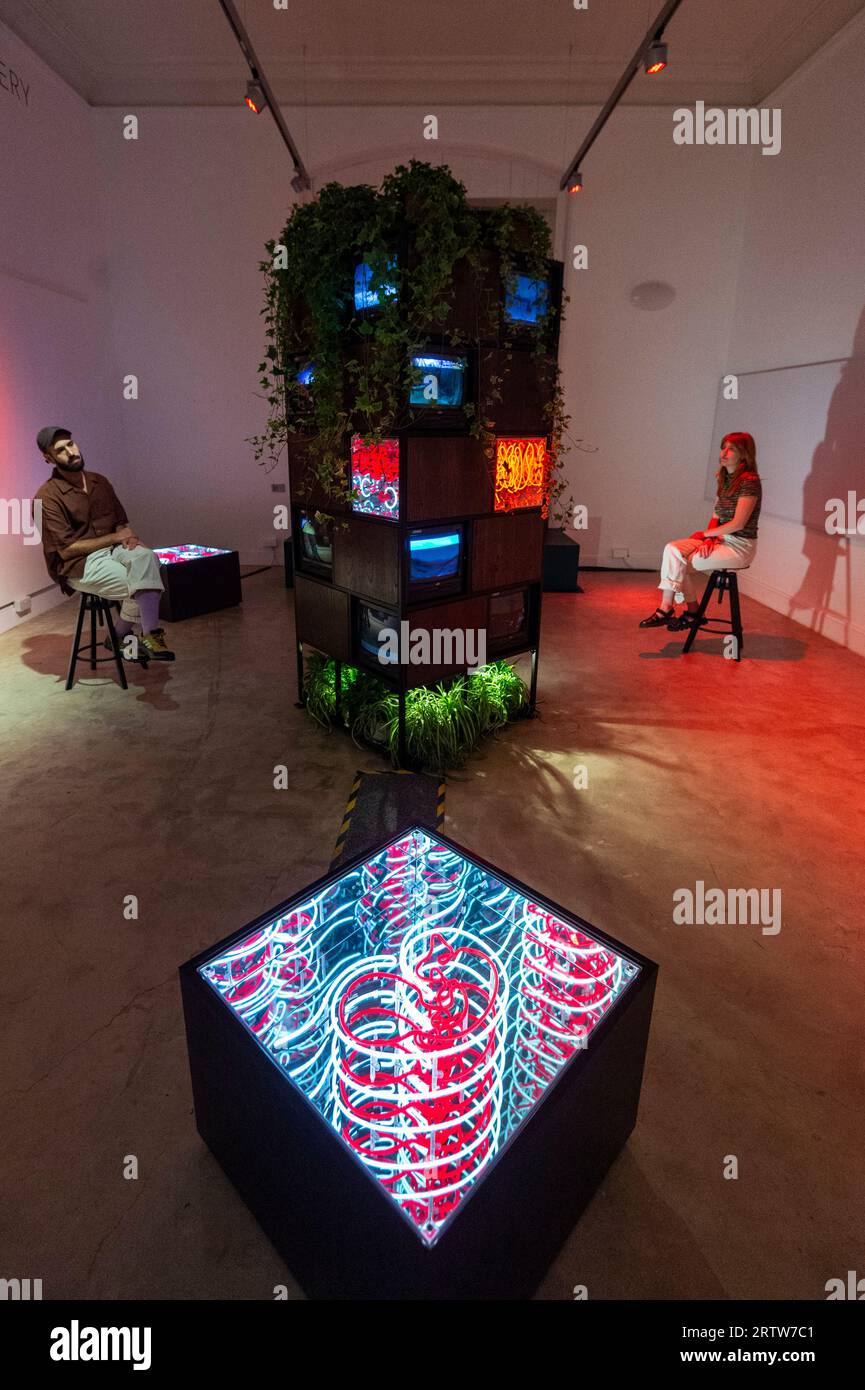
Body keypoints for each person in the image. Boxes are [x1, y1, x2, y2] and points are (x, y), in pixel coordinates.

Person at [34, 427, 175, 661]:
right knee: (142, 583)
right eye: (60, 450)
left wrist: (126, 535)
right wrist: (114, 537)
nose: (70, 452)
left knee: (147, 558)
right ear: (48, 459)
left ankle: (127, 635)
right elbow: (66, 549)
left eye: (71, 444)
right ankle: (136, 635)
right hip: (79, 563)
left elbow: (120, 524)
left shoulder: (100, 481)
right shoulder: (45, 498)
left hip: (114, 551)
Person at [639, 431, 761, 631]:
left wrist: (706, 535)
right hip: (720, 539)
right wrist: (709, 539)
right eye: (723, 447)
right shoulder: (724, 478)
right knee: (672, 549)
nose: (724, 453)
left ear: (744, 454)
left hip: (740, 546)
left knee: (679, 564)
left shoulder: (749, 482)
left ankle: (682, 611)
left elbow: (738, 523)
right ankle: (673, 608)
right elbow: (716, 516)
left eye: (731, 449)